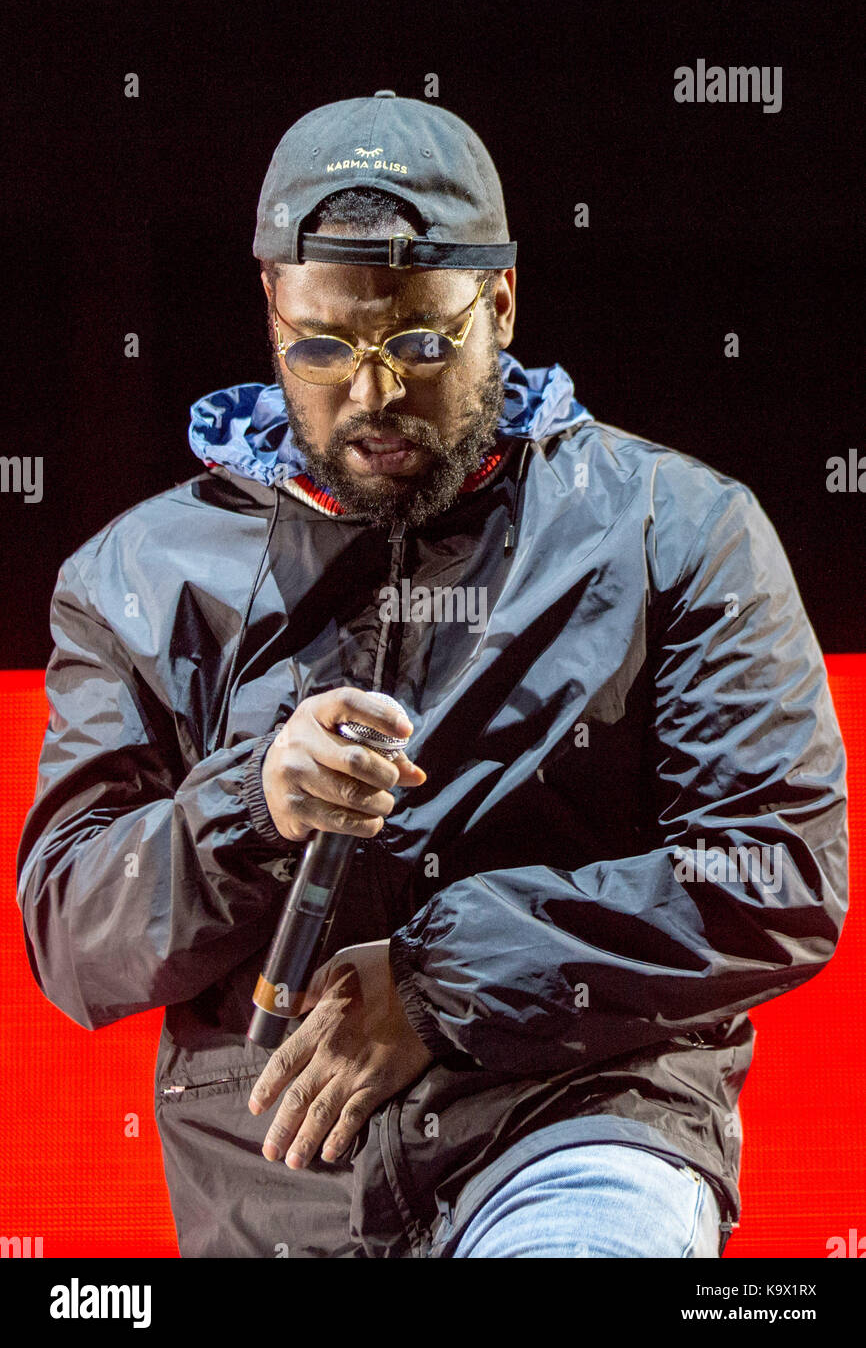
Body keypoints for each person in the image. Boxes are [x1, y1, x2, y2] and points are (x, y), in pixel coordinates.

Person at [16, 91, 848, 1259]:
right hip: (274, 1194)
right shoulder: (138, 575)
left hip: (578, 1127)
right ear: (270, 310)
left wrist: (440, 979)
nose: (370, 393)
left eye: (416, 342)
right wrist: (248, 801)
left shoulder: (673, 528)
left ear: (498, 304)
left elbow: (775, 872)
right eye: (322, 345)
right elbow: (71, 933)